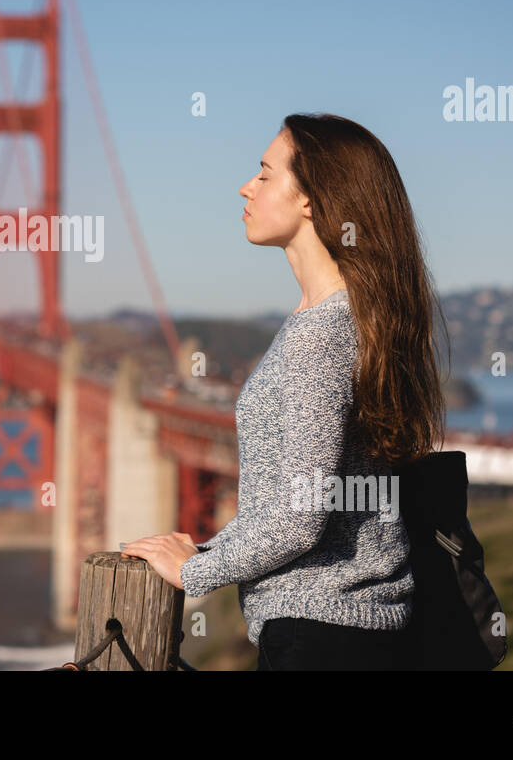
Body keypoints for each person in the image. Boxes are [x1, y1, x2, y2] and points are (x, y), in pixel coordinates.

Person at [120, 113, 448, 670]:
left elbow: (301, 513)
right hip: (356, 632)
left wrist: (194, 572)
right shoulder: (353, 320)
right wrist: (210, 548)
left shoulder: (318, 340)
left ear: (312, 201)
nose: (246, 186)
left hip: (319, 636)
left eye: (265, 174)